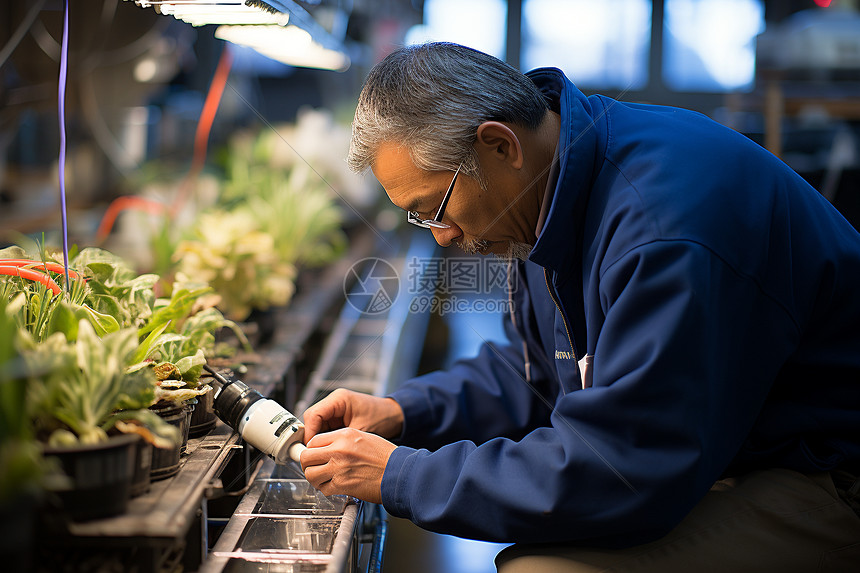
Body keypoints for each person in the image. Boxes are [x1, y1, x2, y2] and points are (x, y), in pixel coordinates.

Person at [298, 42, 860, 572]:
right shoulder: (550, 184)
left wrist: (401, 474)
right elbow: (538, 370)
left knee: (541, 567)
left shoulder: (663, 230)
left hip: (828, 472)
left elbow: (624, 468)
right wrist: (402, 412)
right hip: (730, 444)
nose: (442, 236)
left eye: (435, 208)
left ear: (500, 146)